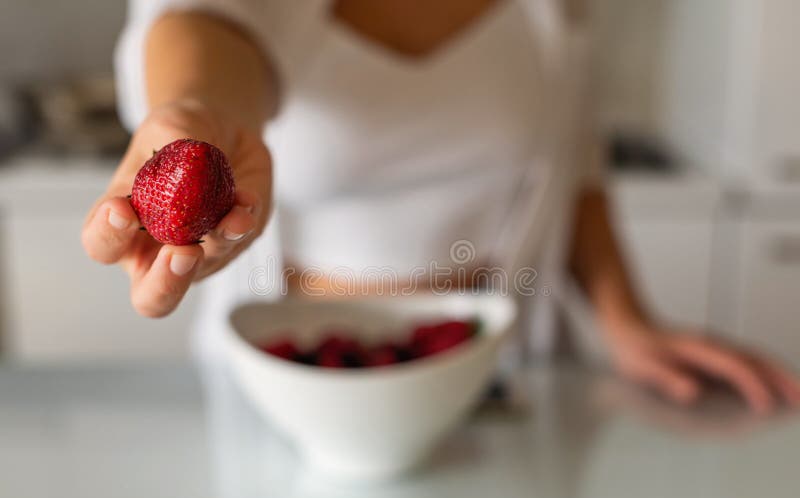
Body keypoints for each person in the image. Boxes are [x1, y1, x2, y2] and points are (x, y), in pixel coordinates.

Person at [82, 0, 800, 412]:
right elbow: (204, 32)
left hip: (500, 387)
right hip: (292, 401)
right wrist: (195, 108)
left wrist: (626, 321)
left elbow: (572, 153)